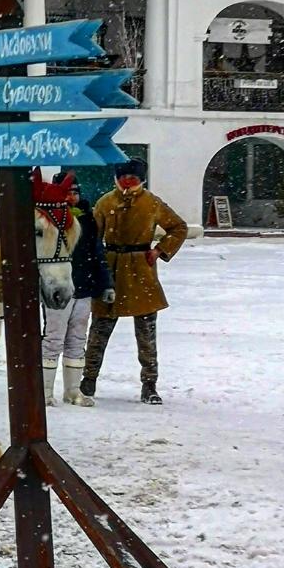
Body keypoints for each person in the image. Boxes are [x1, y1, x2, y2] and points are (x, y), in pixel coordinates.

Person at [79, 164, 188, 405]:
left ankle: (149, 384)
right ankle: (89, 379)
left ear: (142, 179)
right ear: (116, 179)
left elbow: (179, 227)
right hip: (111, 271)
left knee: (147, 334)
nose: (128, 182)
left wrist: (159, 250)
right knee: (99, 331)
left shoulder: (152, 203)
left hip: (142, 272)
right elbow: (92, 237)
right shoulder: (105, 202)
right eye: (124, 177)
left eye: (133, 177)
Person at [41, 171, 109, 406]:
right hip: (60, 290)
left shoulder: (88, 219)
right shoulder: (48, 221)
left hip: (84, 287)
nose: (72, 197)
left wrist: (105, 283)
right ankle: (45, 390)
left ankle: (72, 390)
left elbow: (97, 253)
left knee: (78, 338)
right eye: (67, 193)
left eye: (75, 192)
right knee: (53, 338)